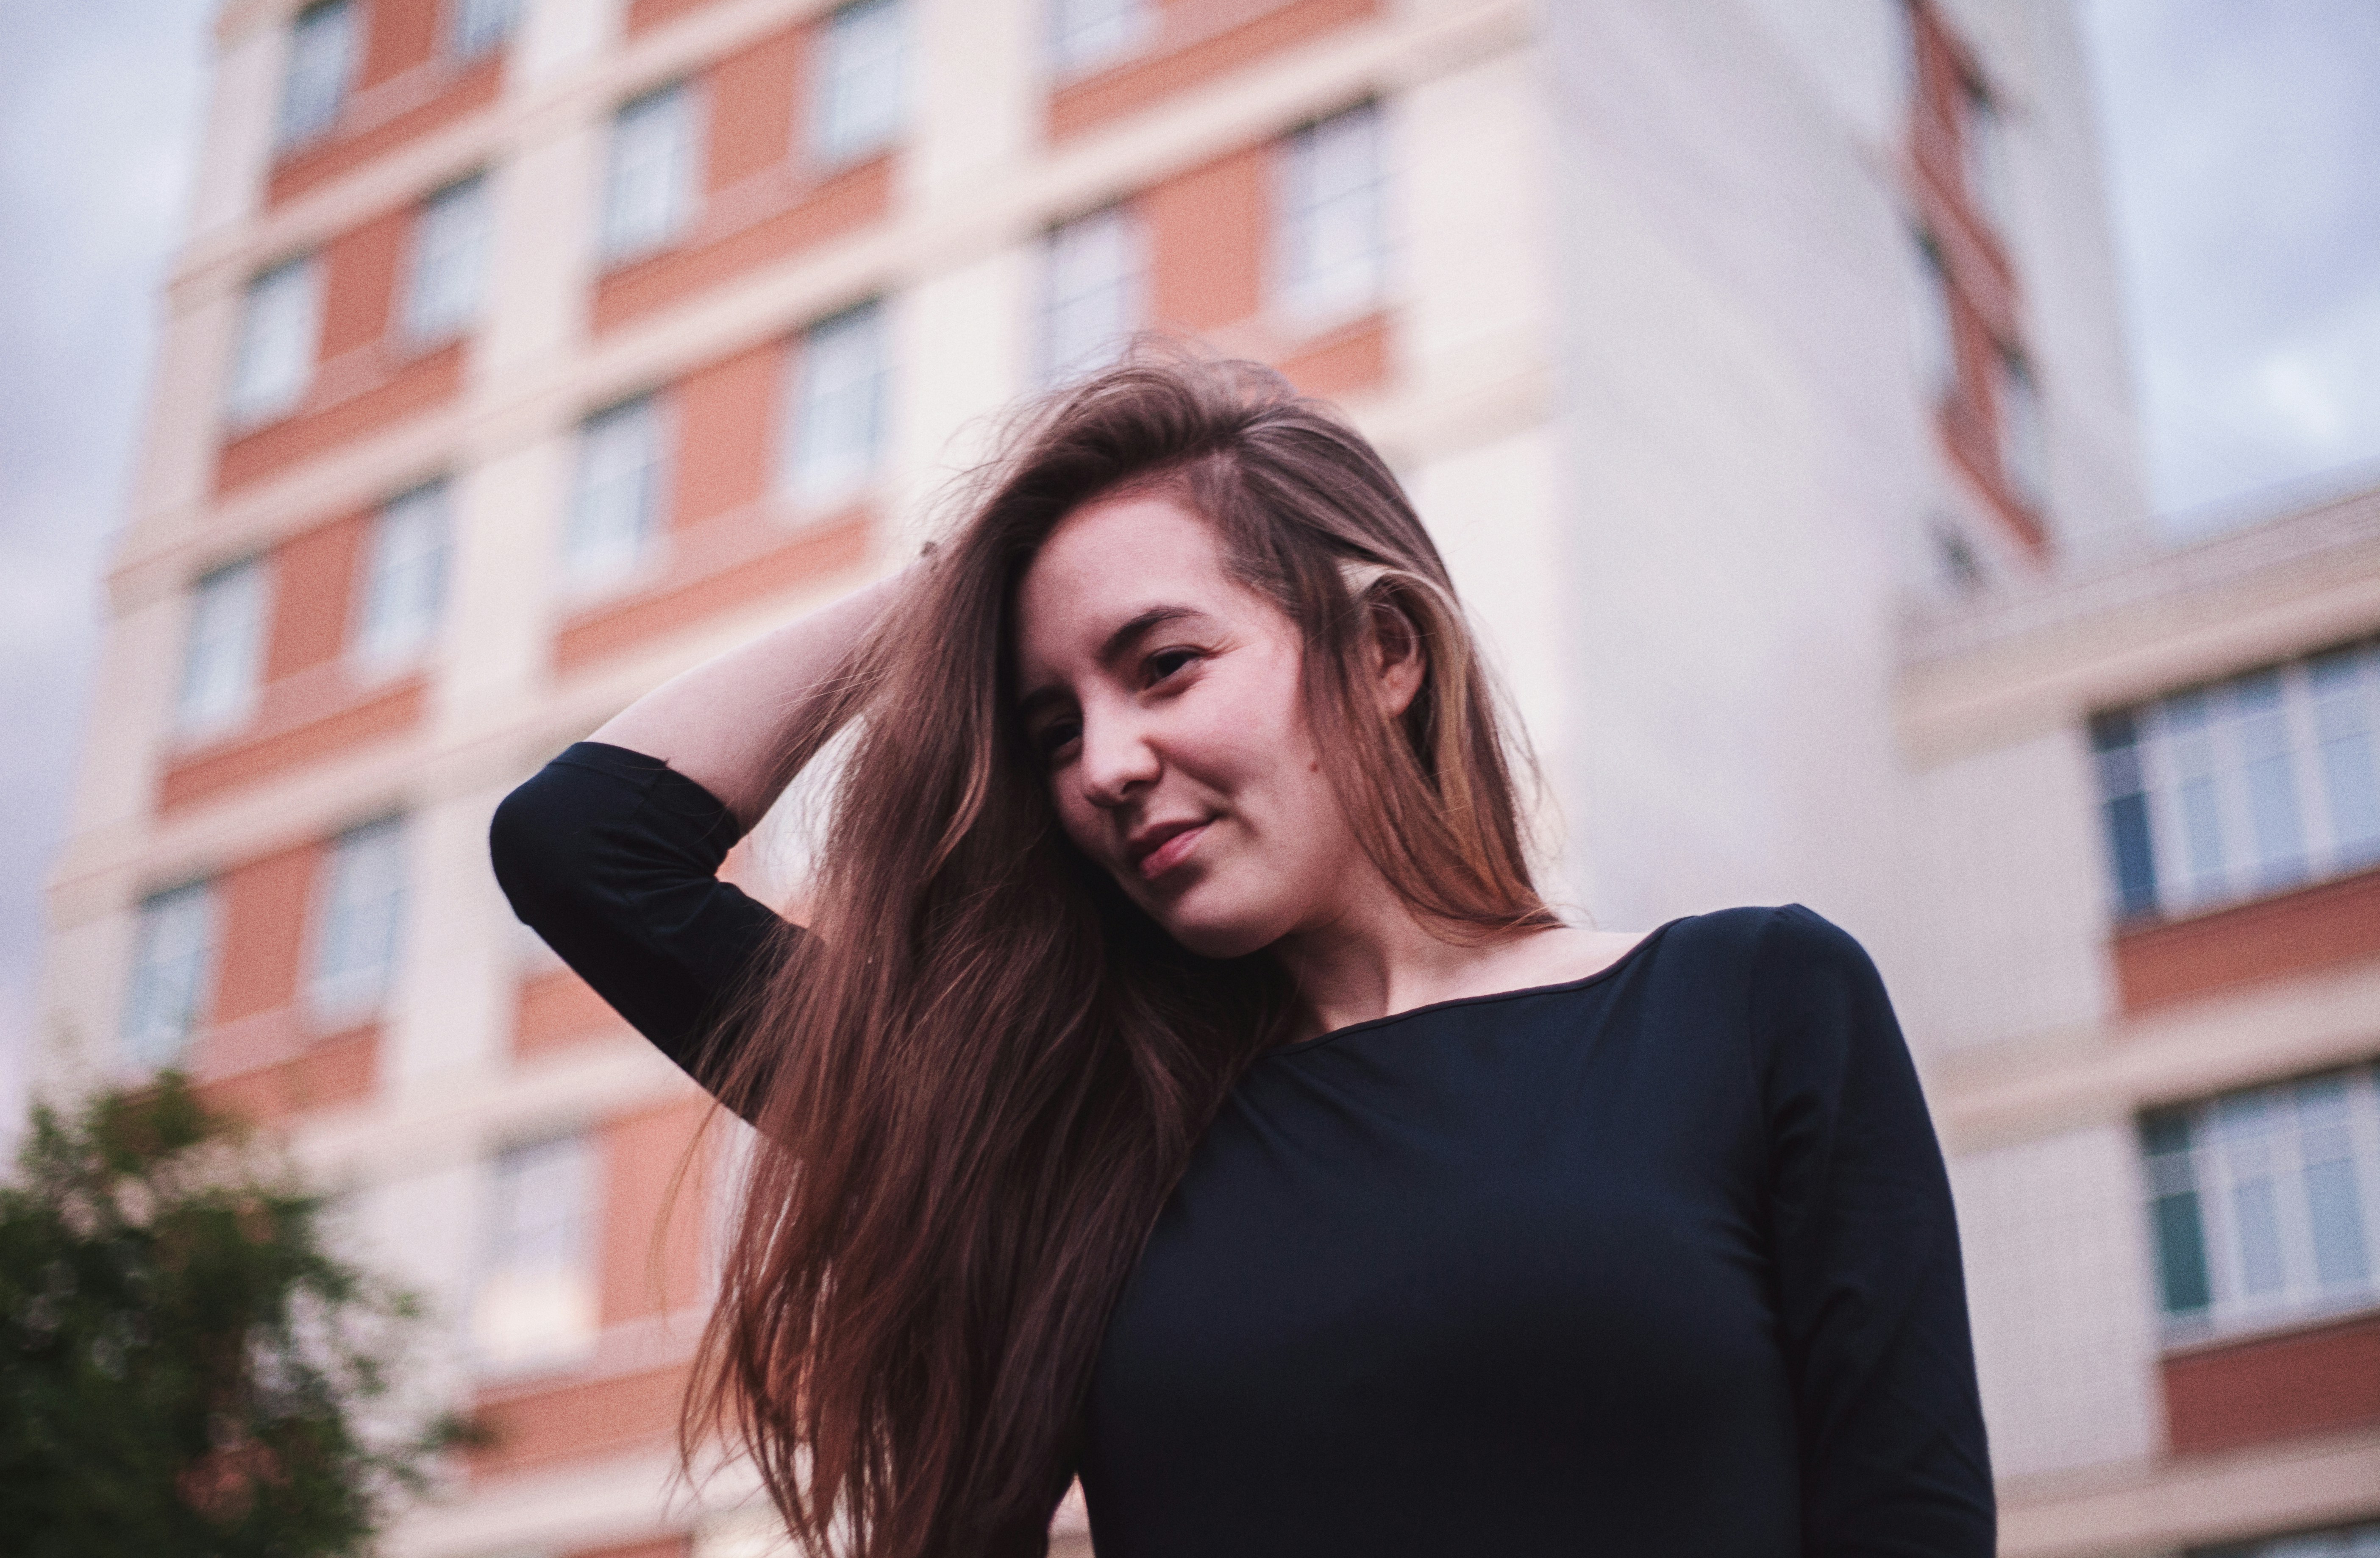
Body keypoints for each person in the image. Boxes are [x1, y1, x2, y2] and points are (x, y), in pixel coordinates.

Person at [489, 353, 1994, 1558]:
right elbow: (587, 846)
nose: (1108, 764)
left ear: (1385, 653)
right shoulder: (1063, 1137)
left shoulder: (1750, 1009)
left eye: (1165, 664)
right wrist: (946, 590)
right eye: (1053, 727)